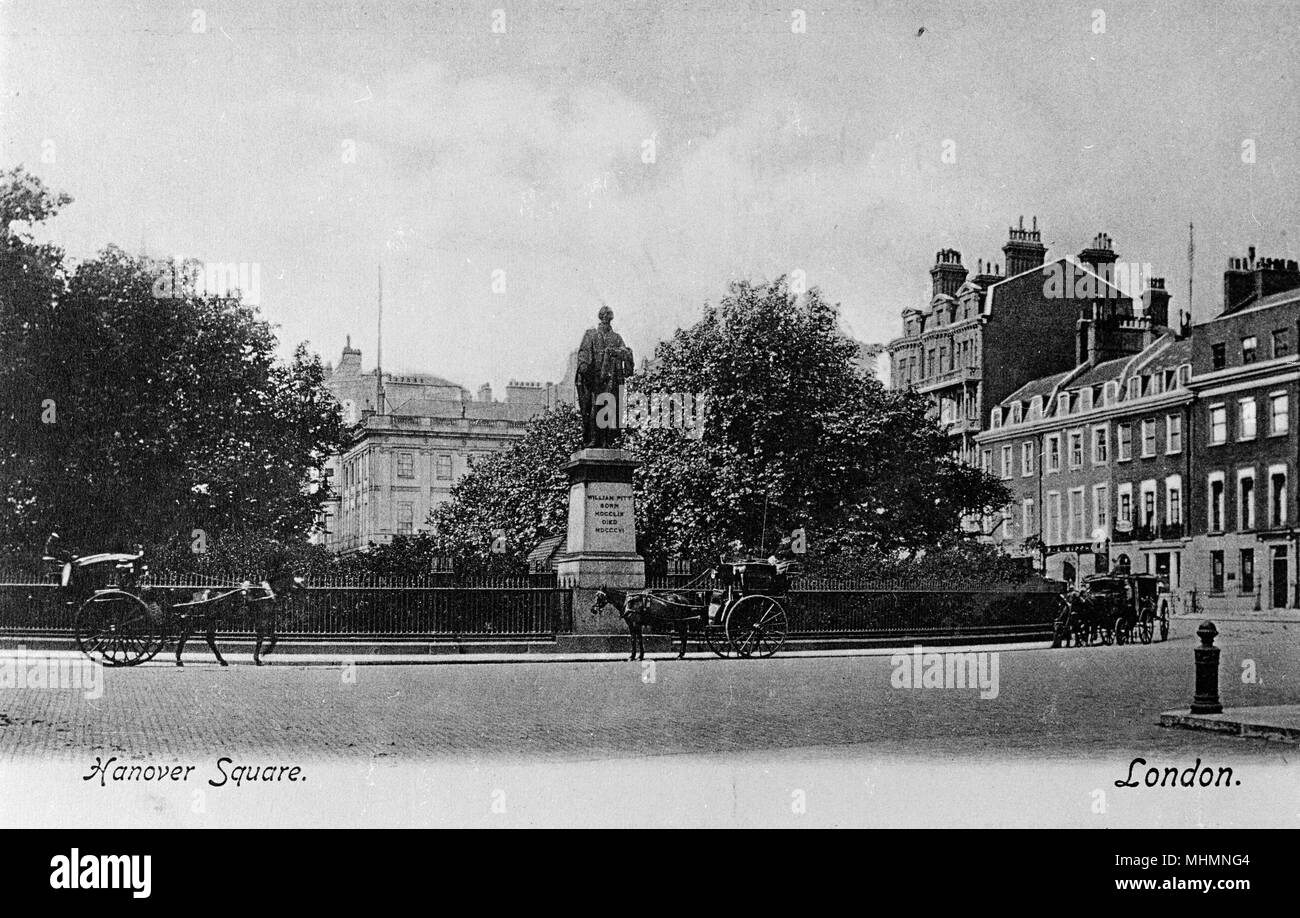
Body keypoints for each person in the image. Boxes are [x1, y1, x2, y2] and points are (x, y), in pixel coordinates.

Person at [574, 305, 634, 448]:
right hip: (594, 380)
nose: (607, 320)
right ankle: (594, 439)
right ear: (600, 318)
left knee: (610, 408)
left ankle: (608, 441)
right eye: (604, 317)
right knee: (595, 409)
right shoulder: (591, 335)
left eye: (609, 317)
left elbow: (627, 353)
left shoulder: (616, 338)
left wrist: (616, 352)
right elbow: (583, 355)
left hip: (611, 379)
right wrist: (585, 370)